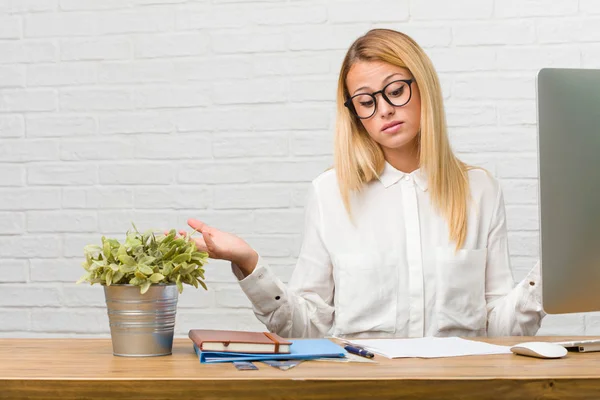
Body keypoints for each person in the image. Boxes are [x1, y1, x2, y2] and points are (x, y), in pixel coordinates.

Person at [177, 29, 545, 339]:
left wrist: (557, 264)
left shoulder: (480, 190)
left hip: (458, 387)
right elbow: (308, 328)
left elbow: (501, 331)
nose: (383, 109)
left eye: (395, 91)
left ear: (424, 87)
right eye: (365, 101)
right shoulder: (329, 194)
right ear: (354, 115)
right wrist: (249, 262)